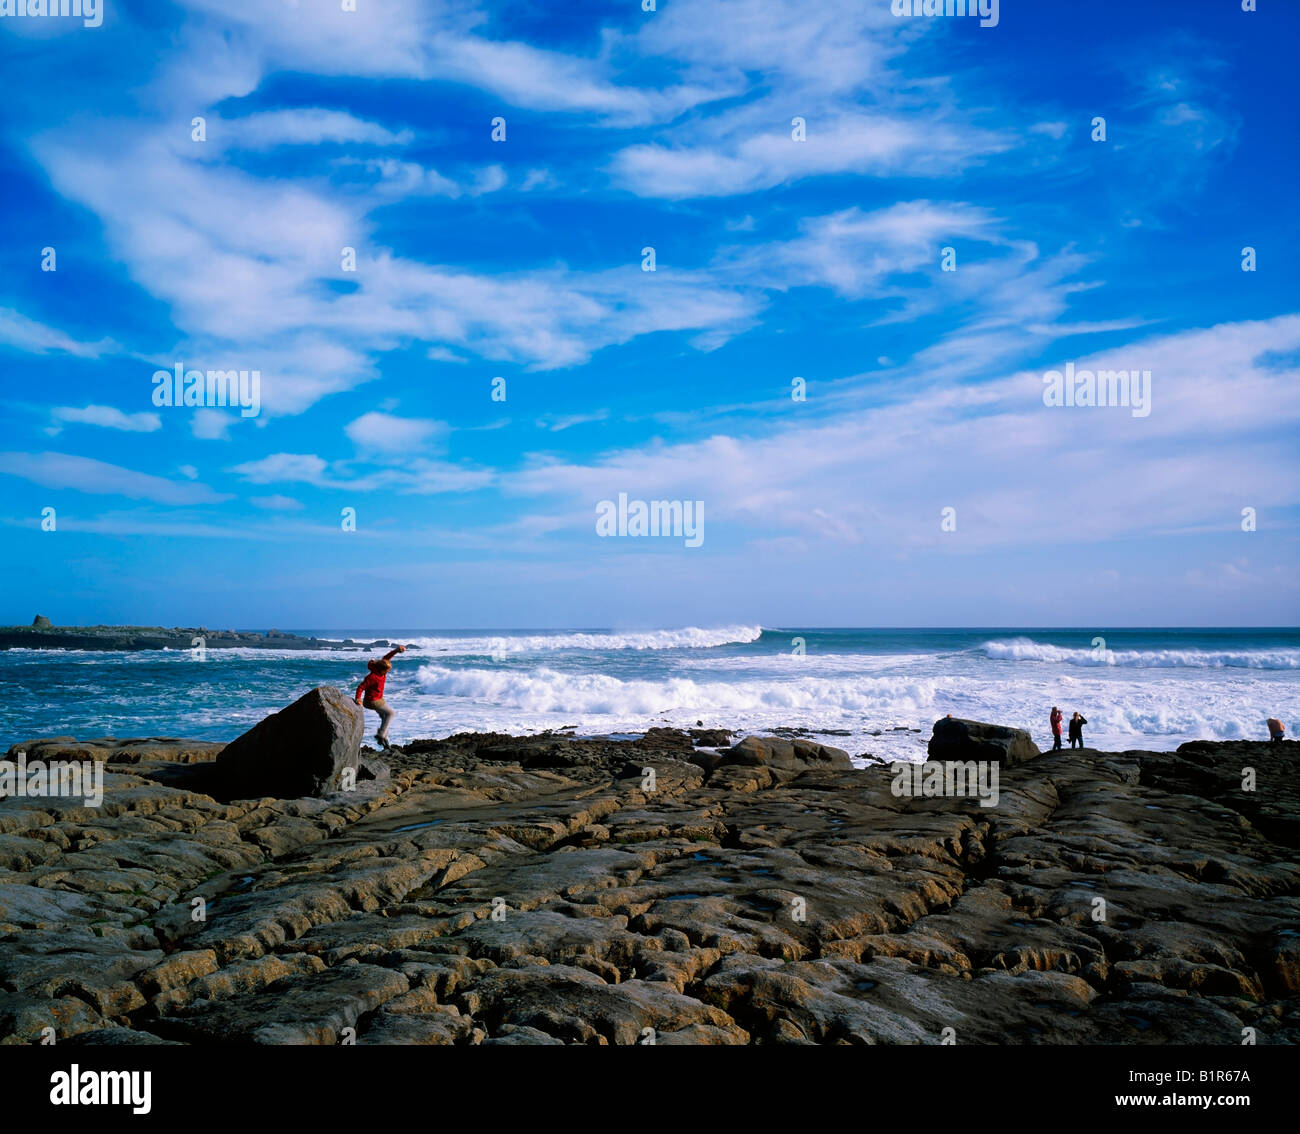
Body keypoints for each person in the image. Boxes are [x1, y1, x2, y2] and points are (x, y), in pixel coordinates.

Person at [355, 645, 408, 750]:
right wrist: (358, 699)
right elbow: (361, 687)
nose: (388, 672)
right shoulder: (372, 677)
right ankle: (381, 735)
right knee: (391, 713)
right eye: (387, 671)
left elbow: (387, 657)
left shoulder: (380, 667)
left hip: (377, 699)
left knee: (385, 717)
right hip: (372, 701)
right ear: (381, 670)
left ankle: (384, 741)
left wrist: (397, 650)